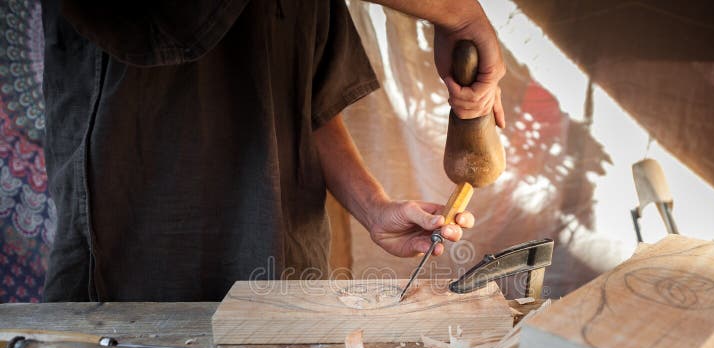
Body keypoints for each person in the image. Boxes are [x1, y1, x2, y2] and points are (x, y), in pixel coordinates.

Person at [41, 0, 505, 301]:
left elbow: (307, 107)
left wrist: (376, 209)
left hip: (279, 261)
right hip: (136, 265)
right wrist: (459, 15)